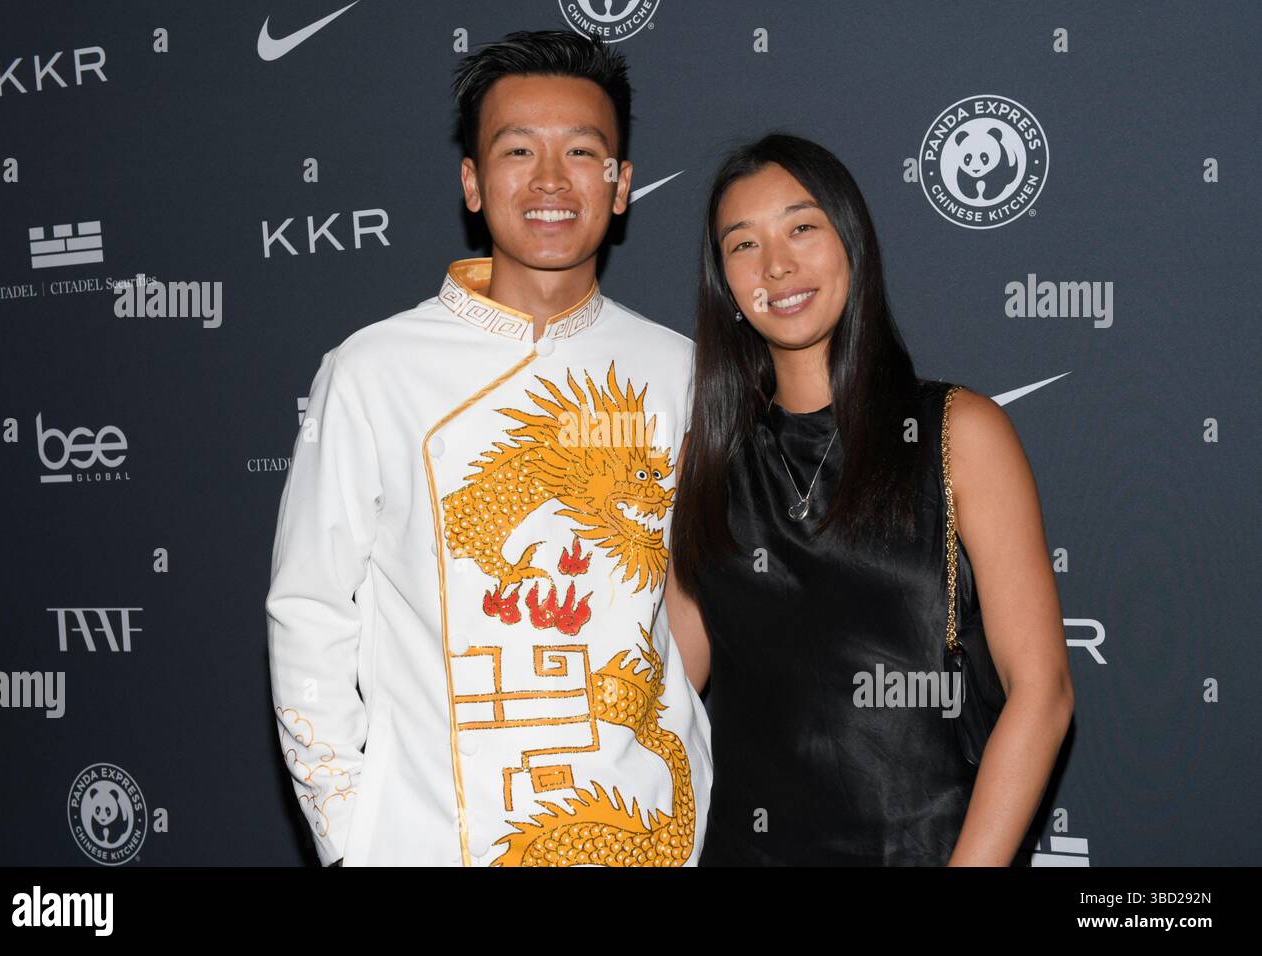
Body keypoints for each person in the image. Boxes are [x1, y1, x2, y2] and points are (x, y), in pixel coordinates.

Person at [266, 30, 711, 867]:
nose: (550, 180)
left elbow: (687, 602)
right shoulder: (372, 370)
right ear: (473, 182)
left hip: (645, 838)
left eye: (583, 151)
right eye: (518, 151)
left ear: (619, 187)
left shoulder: (680, 370)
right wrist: (350, 835)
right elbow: (309, 610)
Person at [663, 133, 1074, 866]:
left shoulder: (960, 432)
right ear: (724, 281)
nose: (777, 265)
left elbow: (1041, 694)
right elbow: (669, 683)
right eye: (742, 245)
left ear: (852, 240)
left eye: (801, 227)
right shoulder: (709, 460)